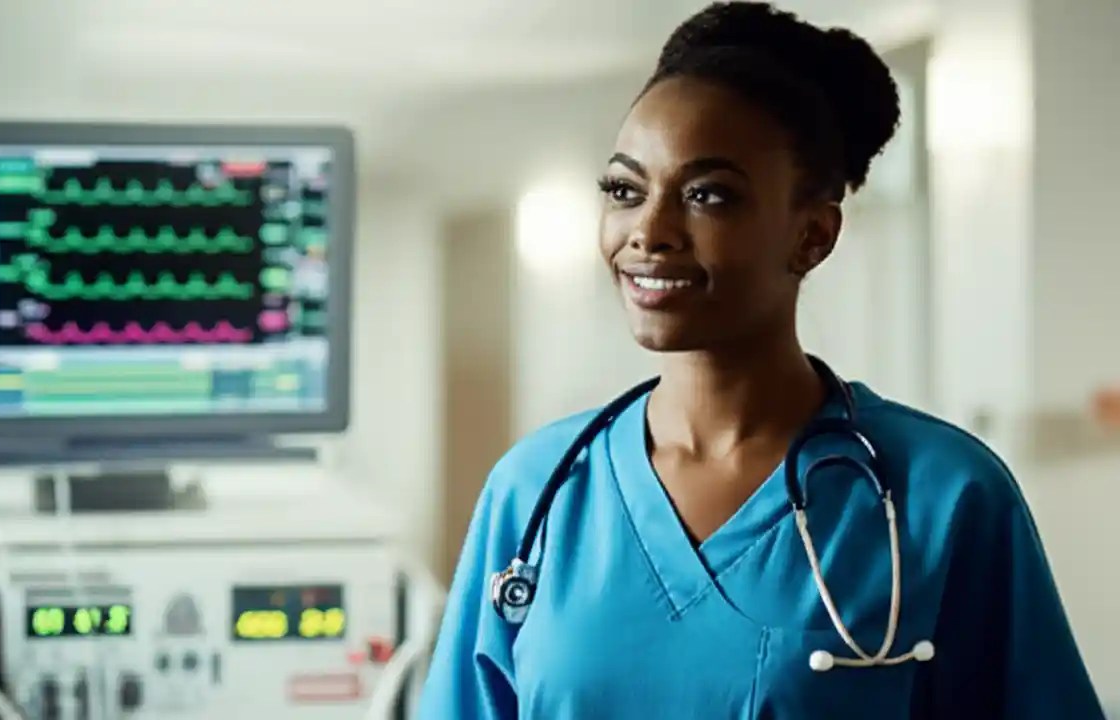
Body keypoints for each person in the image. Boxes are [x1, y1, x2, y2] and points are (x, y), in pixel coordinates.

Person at [417, 2, 1105, 718]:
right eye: (626, 190)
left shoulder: (942, 496)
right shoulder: (537, 493)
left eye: (707, 196)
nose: (649, 232)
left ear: (813, 234)